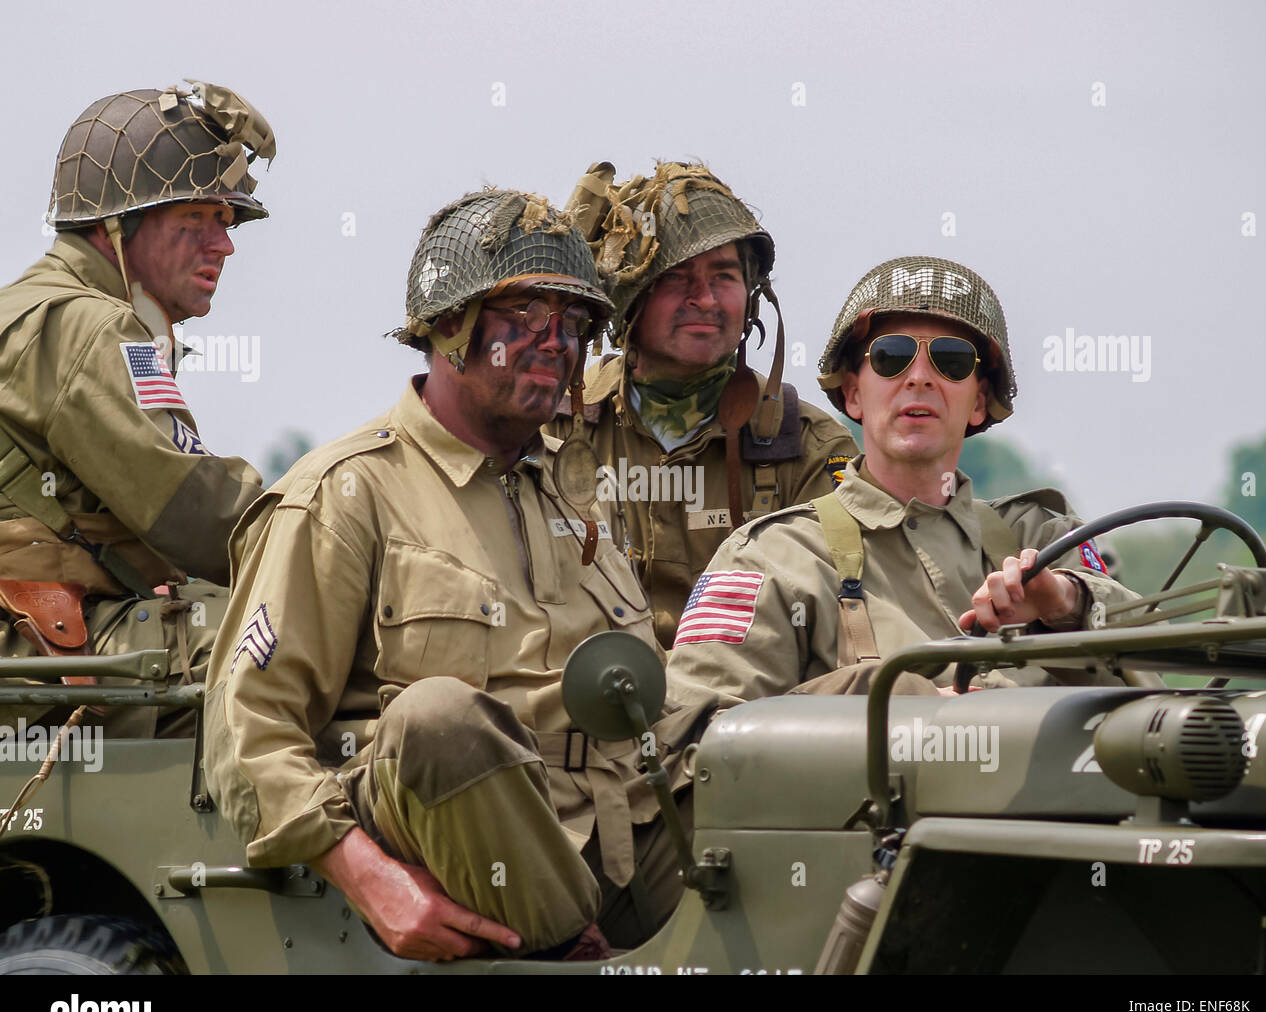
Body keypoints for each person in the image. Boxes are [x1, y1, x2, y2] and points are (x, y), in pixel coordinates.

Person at [205, 190, 698, 962]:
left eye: (572, 325)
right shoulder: (343, 494)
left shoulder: (574, 491)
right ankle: (571, 950)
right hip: (461, 843)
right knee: (438, 721)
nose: (555, 343)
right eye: (525, 318)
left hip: (618, 829)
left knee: (800, 744)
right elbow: (248, 736)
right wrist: (367, 876)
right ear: (446, 327)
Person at [665, 255, 1142, 712]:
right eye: (891, 357)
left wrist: (1065, 603)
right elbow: (702, 733)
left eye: (952, 361)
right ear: (853, 393)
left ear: (979, 401)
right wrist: (909, 704)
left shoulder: (1040, 539)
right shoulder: (777, 557)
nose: (919, 378)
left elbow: (1153, 666)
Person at [0, 81, 274, 737]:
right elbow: (201, 515)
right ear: (114, 227)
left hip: (38, 633)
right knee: (285, 646)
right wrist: (351, 536)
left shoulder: (39, 309)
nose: (224, 245)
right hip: (34, 652)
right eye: (196, 220)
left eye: (226, 221)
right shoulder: (93, 329)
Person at [548, 162, 857, 649]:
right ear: (631, 298)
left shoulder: (807, 447)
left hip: (745, 708)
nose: (706, 298)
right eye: (677, 278)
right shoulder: (552, 429)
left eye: (724, 275)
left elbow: (843, 617)